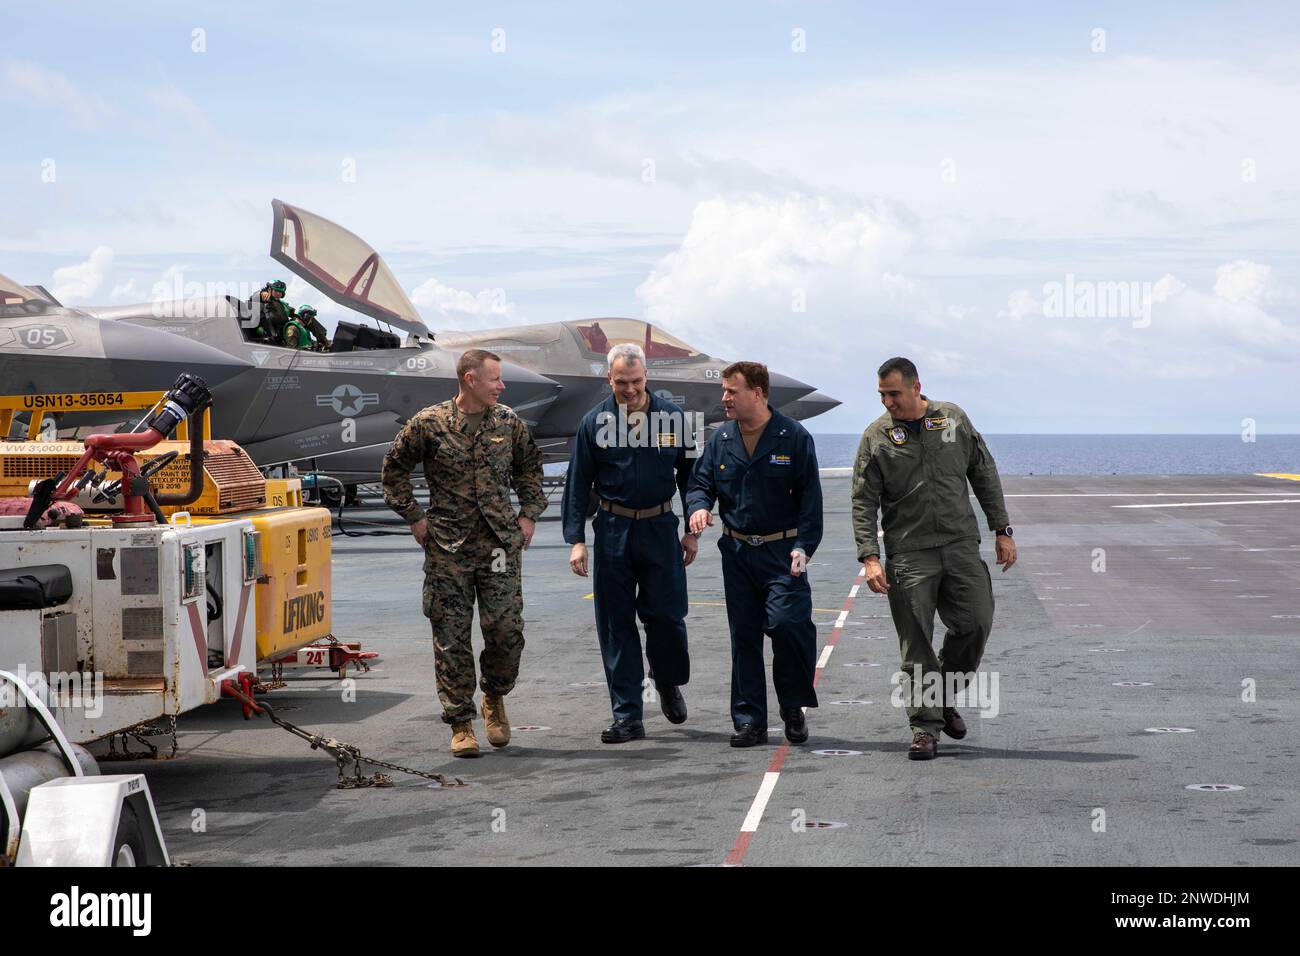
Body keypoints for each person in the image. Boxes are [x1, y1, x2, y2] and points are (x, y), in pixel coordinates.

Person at [381, 349, 546, 757]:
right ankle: (460, 722)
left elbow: (530, 469)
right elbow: (394, 469)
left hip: (499, 547)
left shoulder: (508, 423)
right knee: (451, 639)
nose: (501, 386)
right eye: (495, 379)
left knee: (506, 634)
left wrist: (529, 516)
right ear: (470, 379)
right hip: (447, 549)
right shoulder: (429, 423)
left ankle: (494, 695)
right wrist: (415, 517)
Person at [851, 357, 1016, 761]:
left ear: (915, 387)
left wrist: (1002, 529)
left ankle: (940, 697)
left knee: (976, 624)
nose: (887, 402)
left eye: (894, 393)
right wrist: (870, 557)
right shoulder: (877, 436)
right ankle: (924, 729)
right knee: (917, 645)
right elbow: (863, 500)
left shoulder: (953, 419)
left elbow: (984, 472)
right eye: (882, 395)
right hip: (909, 554)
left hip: (960, 545)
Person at [562, 343, 698, 744]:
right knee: (615, 625)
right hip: (613, 532)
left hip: (660, 529)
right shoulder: (593, 422)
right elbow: (577, 483)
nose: (630, 389)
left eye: (636, 381)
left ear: (647, 377)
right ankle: (628, 716)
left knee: (667, 618)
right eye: (621, 382)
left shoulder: (674, 419)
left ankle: (668, 679)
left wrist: (692, 529)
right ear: (609, 378)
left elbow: (693, 477)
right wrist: (577, 540)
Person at [686, 362, 822, 747]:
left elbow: (811, 501)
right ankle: (750, 722)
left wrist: (803, 547)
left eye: (732, 391)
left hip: (783, 552)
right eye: (725, 391)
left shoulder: (793, 437)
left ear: (759, 393)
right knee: (743, 637)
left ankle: (793, 706)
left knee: (786, 625)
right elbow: (701, 482)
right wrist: (698, 507)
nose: (724, 398)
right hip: (738, 552)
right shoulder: (721, 439)